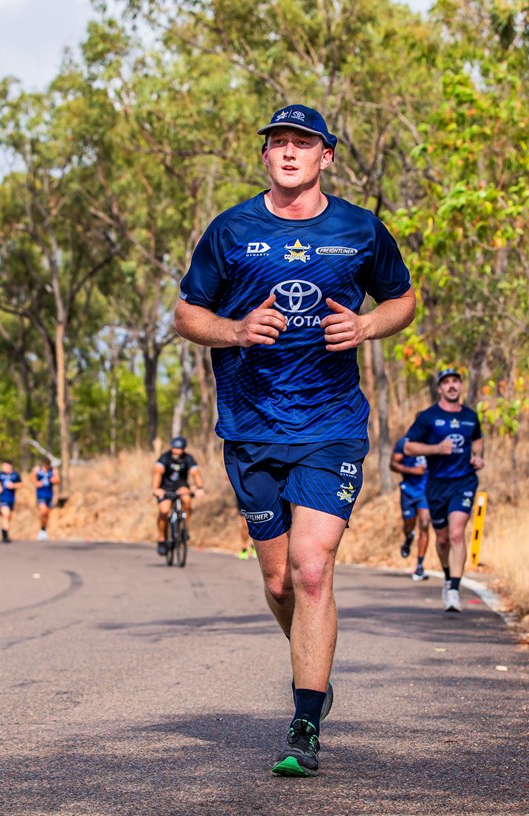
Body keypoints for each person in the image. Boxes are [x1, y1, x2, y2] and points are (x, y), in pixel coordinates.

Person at [174, 103, 415, 777]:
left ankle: (305, 719)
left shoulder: (360, 230)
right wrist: (236, 331)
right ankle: (316, 670)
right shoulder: (231, 230)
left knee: (313, 569)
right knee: (280, 581)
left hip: (330, 427)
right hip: (250, 430)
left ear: (325, 157)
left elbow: (401, 298)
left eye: (301, 144)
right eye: (277, 142)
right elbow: (188, 312)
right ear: (265, 157)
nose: (288, 152)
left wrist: (367, 328)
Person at [402, 369, 484, 612]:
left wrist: (478, 457)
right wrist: (436, 449)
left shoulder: (470, 416)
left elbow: (477, 441)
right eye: (446, 382)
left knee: (457, 533)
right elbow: (409, 447)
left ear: (460, 386)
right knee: (443, 537)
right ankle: (448, 576)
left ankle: (454, 590)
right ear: (439, 388)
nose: (451, 386)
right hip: (437, 483)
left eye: (455, 382)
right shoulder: (428, 417)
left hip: (464, 482)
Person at [152, 436, 205, 555]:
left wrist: (199, 488)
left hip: (181, 487)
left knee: (187, 500)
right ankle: (161, 539)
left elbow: (195, 474)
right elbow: (157, 474)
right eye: (174, 448)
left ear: (183, 449)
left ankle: (184, 529)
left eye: (179, 449)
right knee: (164, 511)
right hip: (165, 488)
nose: (176, 451)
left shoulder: (188, 458)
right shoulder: (164, 458)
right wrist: (156, 489)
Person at [389, 433, 431, 580]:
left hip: (426, 492)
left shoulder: (435, 443)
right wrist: (413, 471)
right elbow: (393, 465)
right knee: (409, 526)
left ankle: (419, 566)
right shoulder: (405, 443)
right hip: (408, 491)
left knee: (425, 523)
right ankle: (408, 538)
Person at [0, 461, 22, 543]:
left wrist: (13, 485)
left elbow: (21, 484)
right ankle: (5, 536)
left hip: (11, 499)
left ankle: (4, 531)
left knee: (8, 516)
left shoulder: (15, 475)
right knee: (5, 514)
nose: (3, 468)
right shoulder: (0, 475)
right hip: (3, 498)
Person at [33, 460, 60, 540]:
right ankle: (42, 530)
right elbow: (31, 478)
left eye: (48, 466)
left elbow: (58, 481)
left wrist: (55, 480)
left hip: (49, 495)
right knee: (43, 511)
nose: (46, 467)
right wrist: (36, 483)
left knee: (46, 514)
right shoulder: (38, 470)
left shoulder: (53, 471)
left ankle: (43, 529)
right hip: (40, 494)